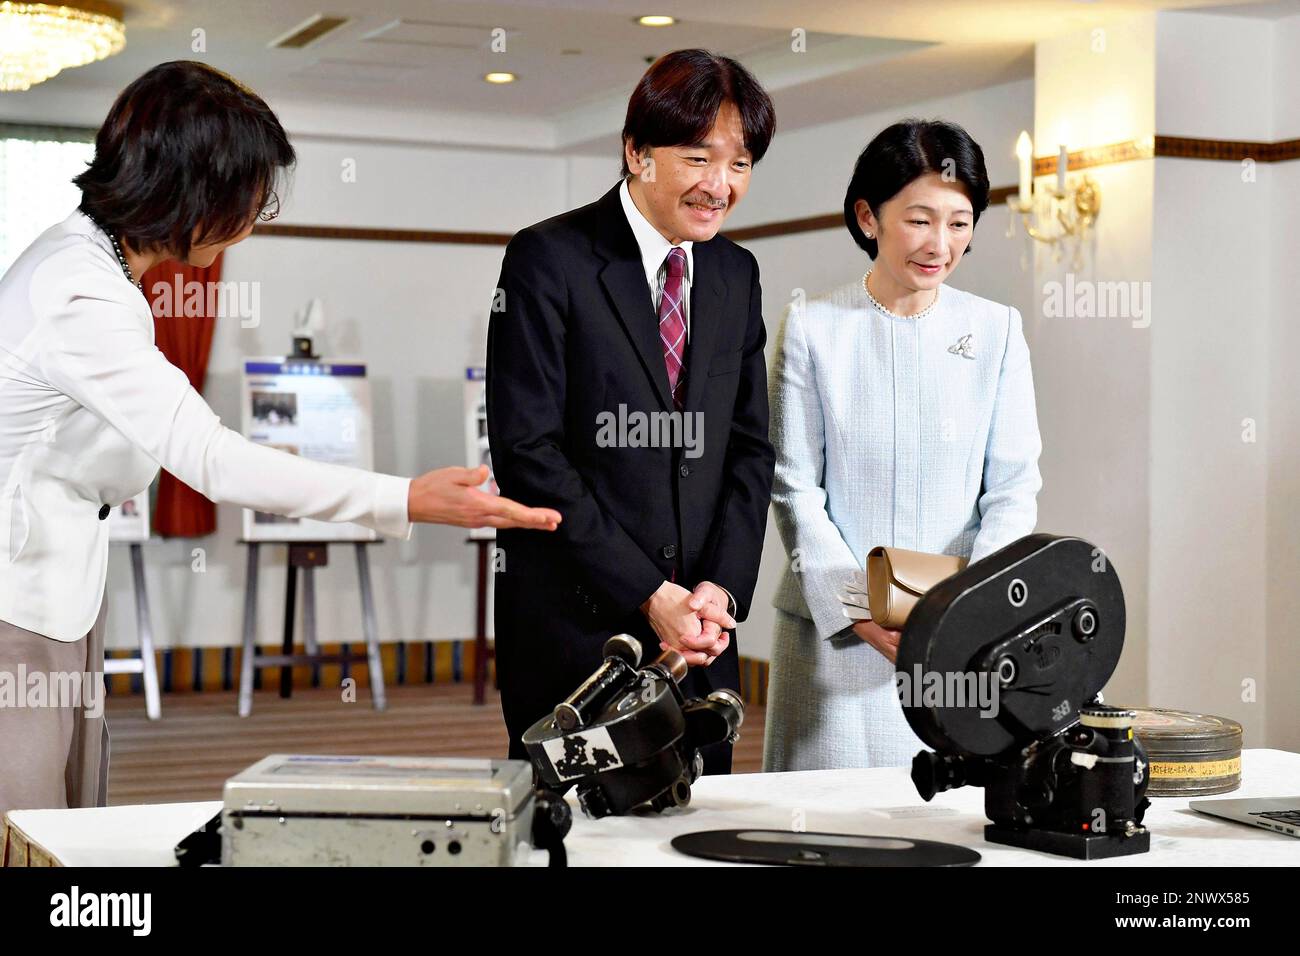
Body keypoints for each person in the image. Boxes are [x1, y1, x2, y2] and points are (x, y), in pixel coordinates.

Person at [0, 61, 560, 820]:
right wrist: (403, 498)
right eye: (247, 200)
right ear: (190, 193)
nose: (251, 221)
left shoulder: (96, 267)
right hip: (16, 608)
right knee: (28, 828)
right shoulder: (82, 291)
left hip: (51, 592)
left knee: (60, 818)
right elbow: (212, 457)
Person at [487, 49, 776, 774]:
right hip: (576, 631)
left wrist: (719, 591)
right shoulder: (547, 260)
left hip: (699, 639)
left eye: (740, 164)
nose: (720, 186)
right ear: (637, 153)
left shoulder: (737, 273)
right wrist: (651, 595)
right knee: (578, 837)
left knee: (697, 831)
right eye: (698, 158)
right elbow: (529, 452)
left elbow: (749, 448)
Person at [762, 119, 1043, 771]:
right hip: (837, 636)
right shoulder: (813, 328)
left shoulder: (996, 330)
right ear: (868, 217)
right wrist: (860, 611)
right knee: (826, 832)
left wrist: (969, 611)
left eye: (959, 222)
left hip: (963, 636)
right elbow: (793, 487)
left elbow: (1012, 487)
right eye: (919, 219)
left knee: (958, 823)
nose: (939, 244)